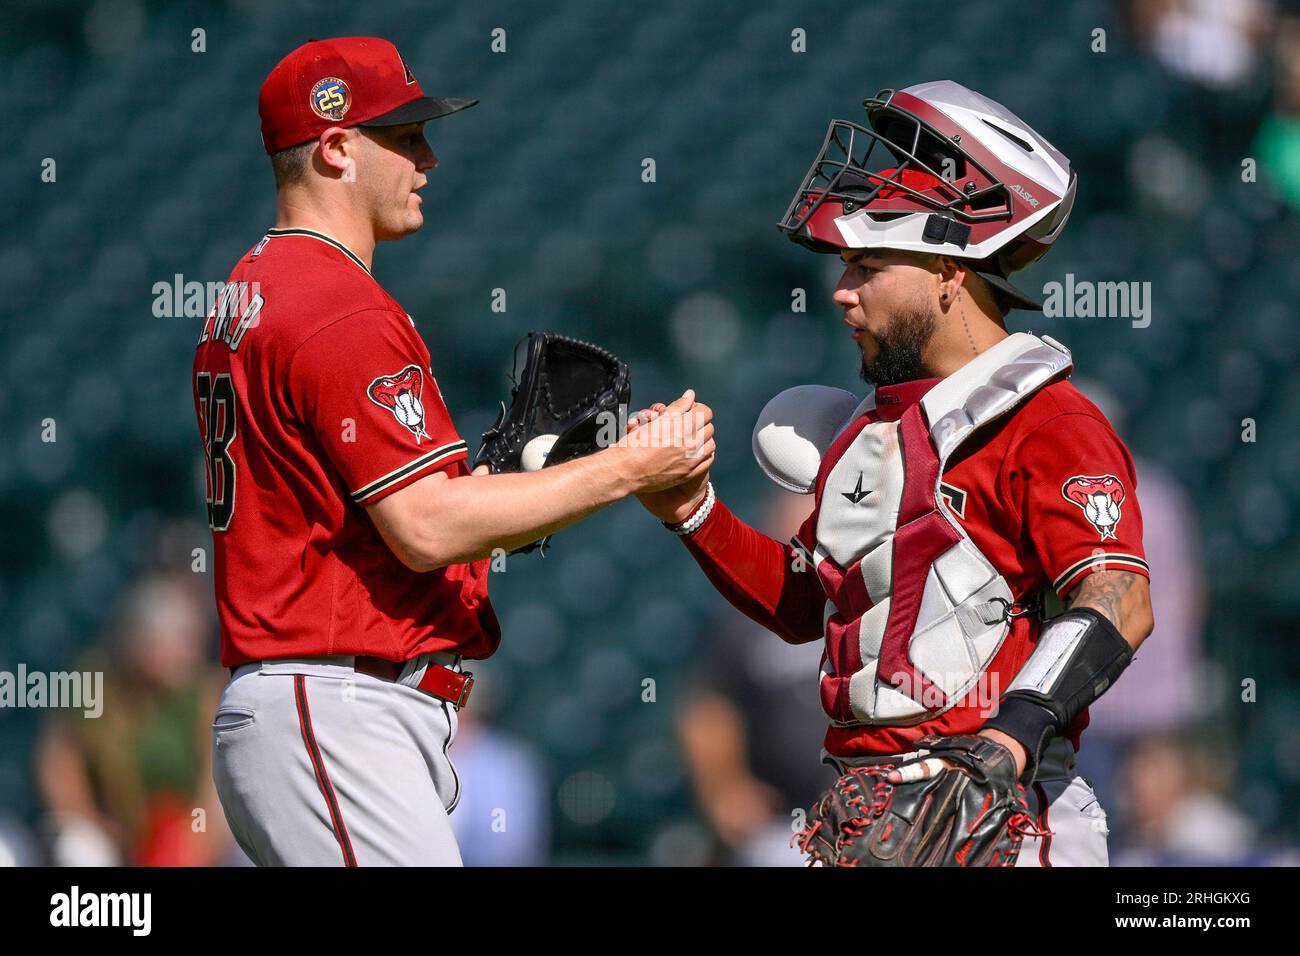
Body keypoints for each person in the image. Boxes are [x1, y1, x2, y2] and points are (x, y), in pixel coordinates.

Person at [193, 36, 712, 866]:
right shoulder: (336, 305)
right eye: (401, 138)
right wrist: (626, 467)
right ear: (334, 148)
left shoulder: (252, 286)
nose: (427, 157)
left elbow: (372, 516)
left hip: (320, 705)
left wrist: (503, 493)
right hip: (335, 706)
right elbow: (426, 528)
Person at [631, 81, 1155, 866]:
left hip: (1000, 813)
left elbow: (1119, 595)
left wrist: (1012, 736)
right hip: (865, 806)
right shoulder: (868, 427)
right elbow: (808, 603)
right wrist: (692, 512)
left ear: (952, 269)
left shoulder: (1050, 421)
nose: (841, 293)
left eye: (868, 264)